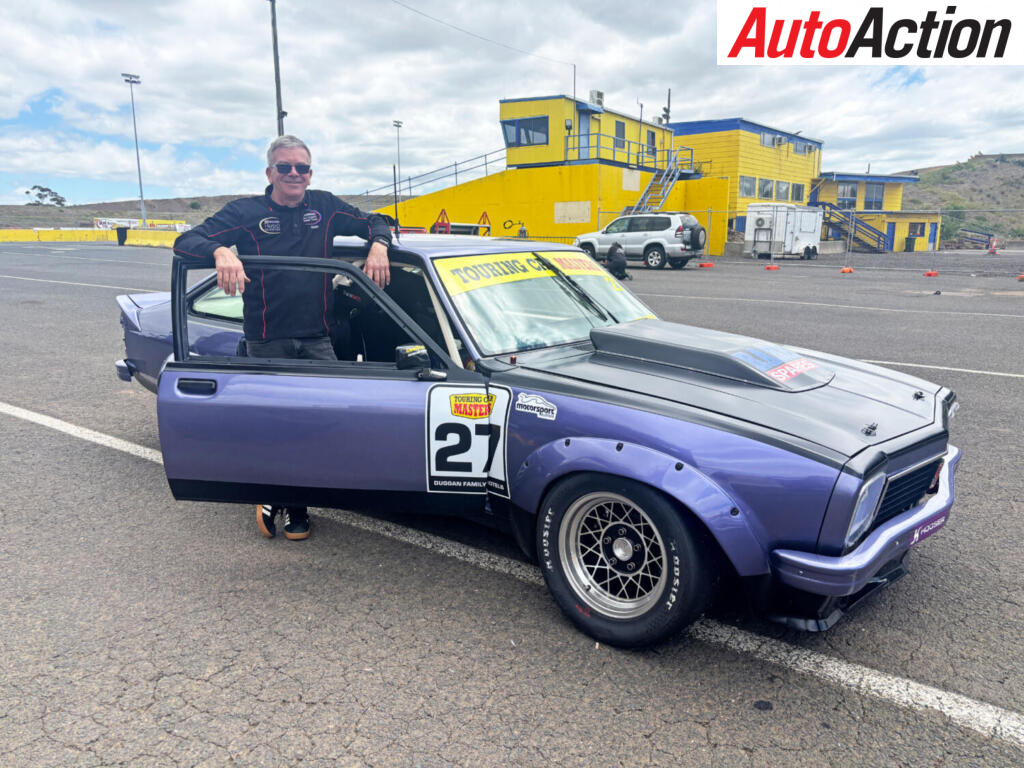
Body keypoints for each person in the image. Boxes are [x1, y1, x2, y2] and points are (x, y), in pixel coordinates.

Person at [172, 134, 393, 542]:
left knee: (319, 421)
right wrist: (221, 251)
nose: (294, 174)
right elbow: (185, 241)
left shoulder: (325, 207)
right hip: (267, 338)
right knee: (275, 426)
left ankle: (294, 491)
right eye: (285, 167)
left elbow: (379, 220)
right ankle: (289, 503)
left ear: (311, 173)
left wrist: (379, 245)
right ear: (270, 172)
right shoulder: (245, 211)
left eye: (302, 168)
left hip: (318, 337)